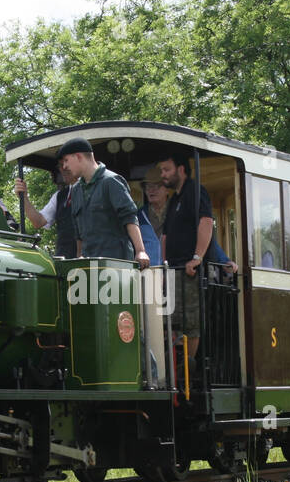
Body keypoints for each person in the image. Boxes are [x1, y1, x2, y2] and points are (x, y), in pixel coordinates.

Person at [158, 150, 214, 361]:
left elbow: (206, 222)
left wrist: (197, 258)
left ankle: (188, 369)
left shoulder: (195, 191)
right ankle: (173, 367)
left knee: (191, 323)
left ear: (181, 170)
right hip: (172, 271)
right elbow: (165, 235)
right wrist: (163, 266)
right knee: (169, 320)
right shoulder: (174, 200)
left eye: (167, 170)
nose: (163, 175)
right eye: (162, 170)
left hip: (189, 271)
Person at [59, 137, 149, 267]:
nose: (64, 166)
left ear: (78, 156)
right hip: (89, 266)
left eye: (66, 160)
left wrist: (141, 251)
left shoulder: (111, 181)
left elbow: (129, 217)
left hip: (116, 265)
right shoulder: (76, 190)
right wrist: (79, 259)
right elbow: (78, 232)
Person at [139, 168, 237, 276]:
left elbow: (204, 237)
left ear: (167, 189)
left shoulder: (180, 211)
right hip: (146, 278)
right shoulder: (138, 217)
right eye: (147, 187)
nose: (151, 190)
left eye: (156, 186)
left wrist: (224, 261)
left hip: (177, 275)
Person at [15, 160, 79, 258]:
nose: (62, 169)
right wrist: (24, 198)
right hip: (64, 260)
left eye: (65, 163)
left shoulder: (91, 189)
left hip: (91, 260)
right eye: (60, 165)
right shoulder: (59, 196)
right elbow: (38, 221)